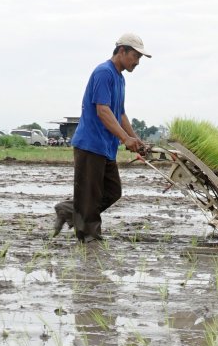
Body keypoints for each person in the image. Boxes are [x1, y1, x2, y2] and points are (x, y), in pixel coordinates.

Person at [53, 33, 151, 243]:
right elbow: (103, 111)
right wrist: (125, 139)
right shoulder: (104, 73)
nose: (137, 62)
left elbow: (120, 113)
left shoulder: (119, 78)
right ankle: (90, 240)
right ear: (122, 51)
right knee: (90, 195)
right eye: (135, 56)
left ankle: (68, 209)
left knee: (112, 192)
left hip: (106, 146)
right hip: (91, 145)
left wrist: (135, 138)